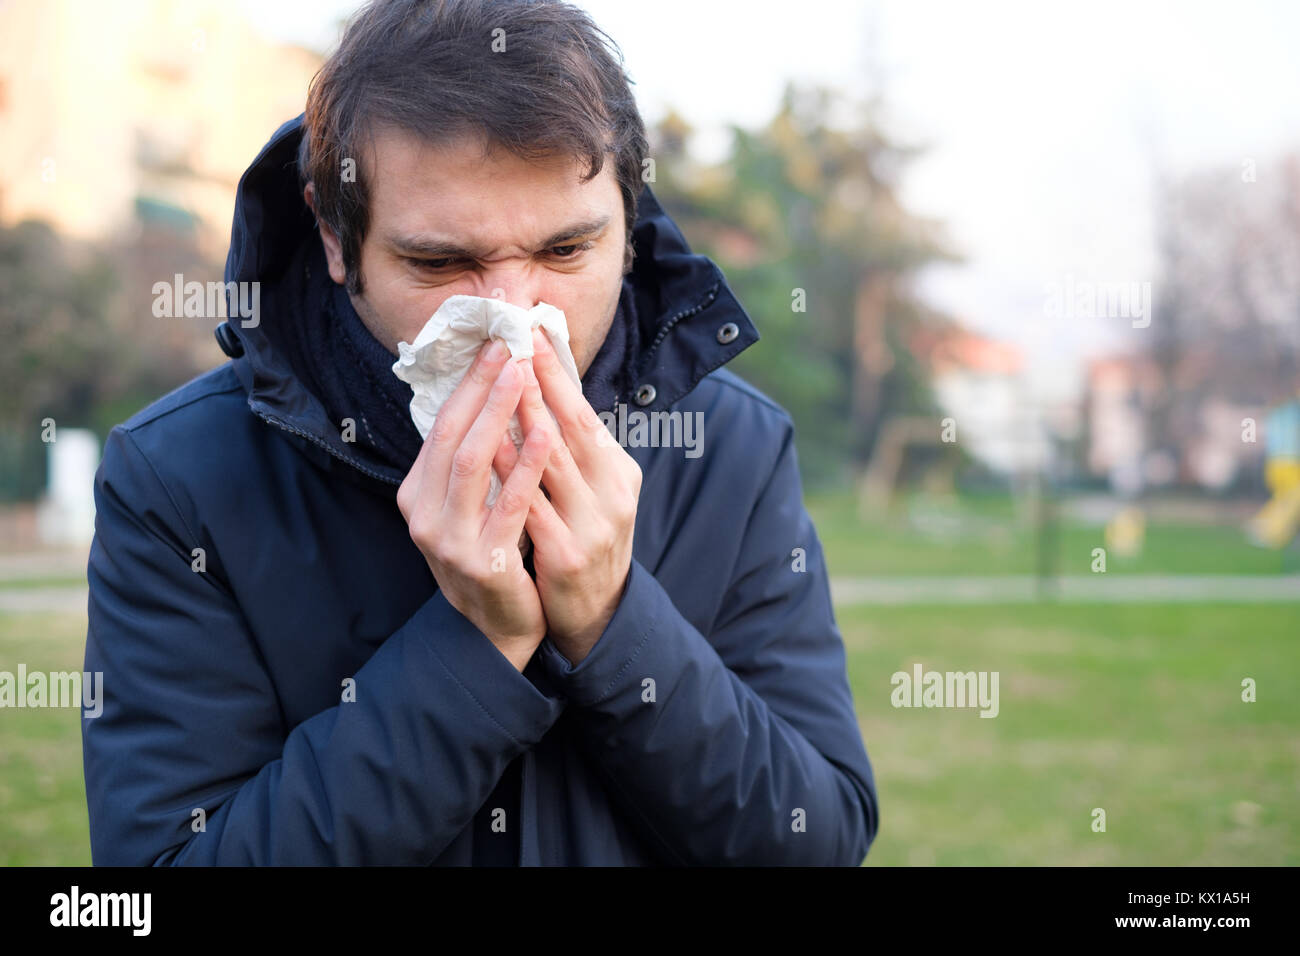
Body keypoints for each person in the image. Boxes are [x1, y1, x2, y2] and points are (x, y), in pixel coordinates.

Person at [82, 0, 878, 865]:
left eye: (567, 251)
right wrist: (477, 648)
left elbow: (816, 838)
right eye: (439, 263)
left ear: (629, 218)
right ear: (335, 235)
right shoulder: (179, 479)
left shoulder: (734, 449)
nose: (513, 314)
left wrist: (616, 623)